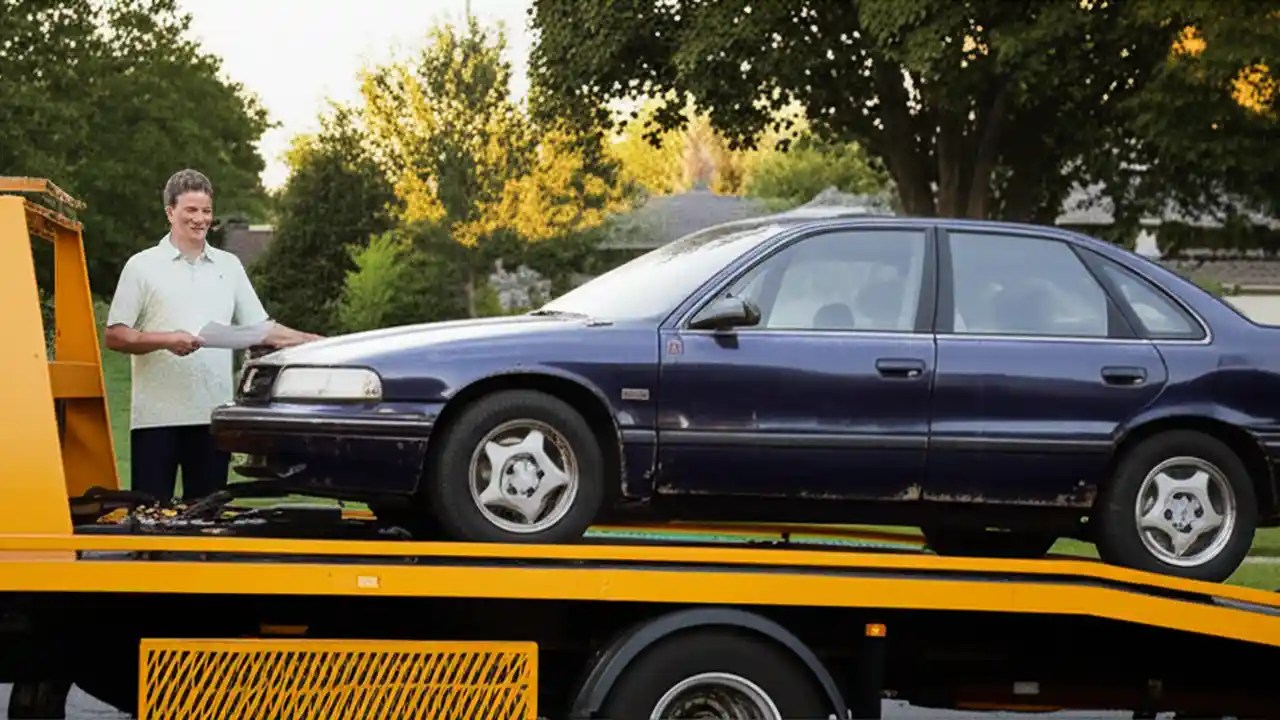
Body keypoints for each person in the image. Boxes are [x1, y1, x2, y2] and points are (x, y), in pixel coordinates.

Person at [104, 168, 319, 504]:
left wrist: (314, 342)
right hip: (156, 420)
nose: (200, 219)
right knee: (148, 518)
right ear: (170, 212)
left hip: (212, 417)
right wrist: (167, 339)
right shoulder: (141, 266)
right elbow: (116, 336)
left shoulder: (229, 266)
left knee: (207, 522)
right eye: (191, 210)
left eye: (206, 211)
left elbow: (262, 328)